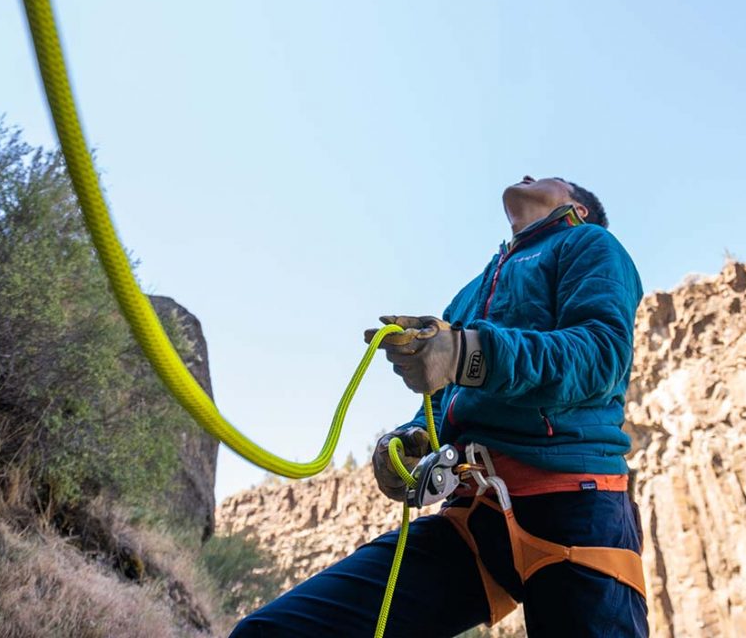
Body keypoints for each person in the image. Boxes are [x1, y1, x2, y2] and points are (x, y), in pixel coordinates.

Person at [232, 176, 647, 637]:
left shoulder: (590, 244)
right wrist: (414, 438)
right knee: (272, 632)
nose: (528, 176)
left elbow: (600, 354)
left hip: (579, 507)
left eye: (551, 177)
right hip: (472, 518)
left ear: (579, 208)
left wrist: (466, 352)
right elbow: (444, 398)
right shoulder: (473, 291)